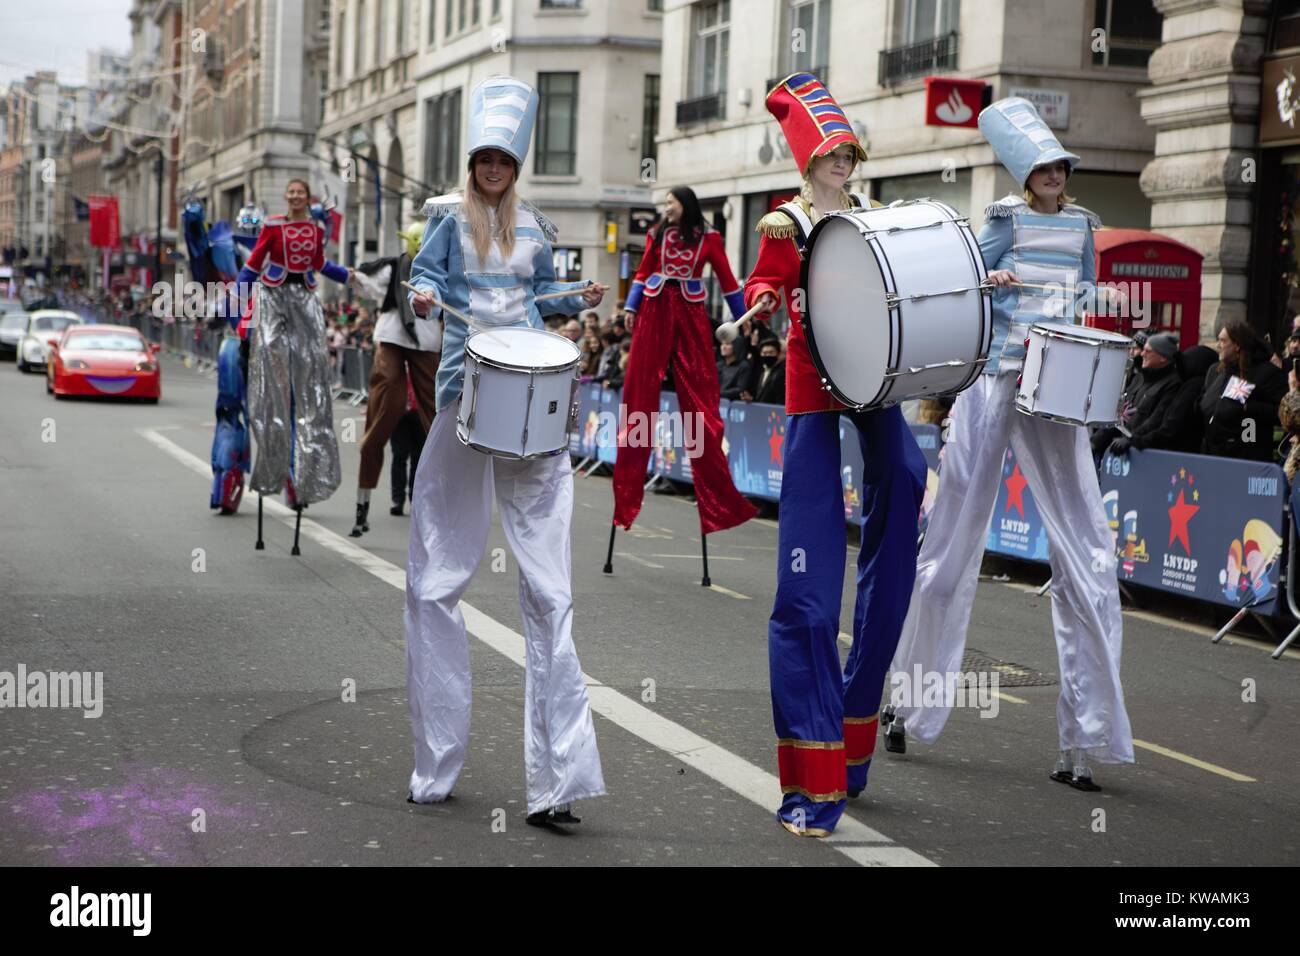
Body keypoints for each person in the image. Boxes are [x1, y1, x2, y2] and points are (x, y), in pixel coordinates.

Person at [887, 96, 1133, 792]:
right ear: (1027, 171)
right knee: (949, 541)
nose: (1054, 175)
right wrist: (990, 281)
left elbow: (1086, 295)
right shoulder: (1002, 219)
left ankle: (1083, 738)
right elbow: (964, 282)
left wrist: (1090, 314)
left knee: (1088, 550)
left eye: (1061, 166)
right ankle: (906, 702)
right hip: (997, 379)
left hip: (1055, 387)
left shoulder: (1084, 225)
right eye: (1045, 166)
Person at [404, 75, 608, 827]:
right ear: (473, 164)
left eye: (503, 161)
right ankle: (435, 766)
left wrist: (574, 299)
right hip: (465, 394)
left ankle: (557, 783)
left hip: (532, 403)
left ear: (516, 169)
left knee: (551, 591)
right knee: (437, 577)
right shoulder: (447, 222)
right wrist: (423, 295)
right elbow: (421, 279)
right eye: (484, 159)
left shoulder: (536, 228)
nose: (493, 170)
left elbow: (542, 298)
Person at [744, 73, 927, 837]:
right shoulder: (784, 224)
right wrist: (755, 301)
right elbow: (760, 282)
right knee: (809, 587)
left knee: (910, 481)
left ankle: (854, 725)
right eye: (829, 152)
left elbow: (909, 288)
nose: (841, 161)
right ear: (807, 160)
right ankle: (812, 780)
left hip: (873, 383)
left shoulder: (877, 218)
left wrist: (988, 280)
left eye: (847, 150)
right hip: (813, 391)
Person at [610, 185, 759, 564]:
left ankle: (716, 499)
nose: (665, 208)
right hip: (655, 312)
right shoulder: (656, 233)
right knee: (640, 396)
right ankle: (626, 497)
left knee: (701, 401)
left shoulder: (709, 238)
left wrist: (742, 318)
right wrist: (631, 307)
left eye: (670, 202)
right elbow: (643, 272)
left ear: (685, 204)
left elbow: (726, 280)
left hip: (690, 316)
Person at [236, 178, 355, 519]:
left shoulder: (316, 229)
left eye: (300, 192)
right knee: (271, 387)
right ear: (286, 197)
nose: (295, 197)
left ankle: (306, 476)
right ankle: (270, 469)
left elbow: (319, 263)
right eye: (290, 192)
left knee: (311, 386)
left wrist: (350, 276)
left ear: (306, 197)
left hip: (303, 301)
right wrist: (236, 297)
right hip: (274, 300)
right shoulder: (272, 226)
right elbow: (254, 263)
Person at [347, 221, 442, 537]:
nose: (417, 248)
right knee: (385, 403)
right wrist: (346, 274)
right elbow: (363, 282)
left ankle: (439, 502)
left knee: (435, 417)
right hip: (391, 339)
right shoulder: (393, 268)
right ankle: (363, 503)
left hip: (427, 344)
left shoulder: (443, 269)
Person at [1199, 317, 1288, 461]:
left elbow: (1284, 413)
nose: (1218, 345)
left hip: (1246, 459)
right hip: (1211, 455)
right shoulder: (1215, 371)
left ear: (1237, 345)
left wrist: (1250, 408)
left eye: (1223, 341)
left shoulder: (1265, 373)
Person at [1094, 331, 1182, 459]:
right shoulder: (1139, 378)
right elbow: (1121, 414)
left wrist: (1131, 439)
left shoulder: (1172, 384)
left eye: (1148, 351)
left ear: (1163, 357)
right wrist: (1098, 439)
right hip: (1119, 448)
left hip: (1143, 454)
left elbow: (1155, 420)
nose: (1142, 354)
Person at [388, 378, 425, 516]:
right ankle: (398, 500)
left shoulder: (426, 357)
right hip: (399, 410)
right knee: (399, 455)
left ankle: (415, 500)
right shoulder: (395, 357)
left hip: (420, 410)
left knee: (419, 458)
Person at [749, 338, 785, 405]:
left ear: (778, 353)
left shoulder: (781, 373)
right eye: (764, 353)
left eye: (771, 352)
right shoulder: (762, 372)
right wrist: (751, 399)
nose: (767, 355)